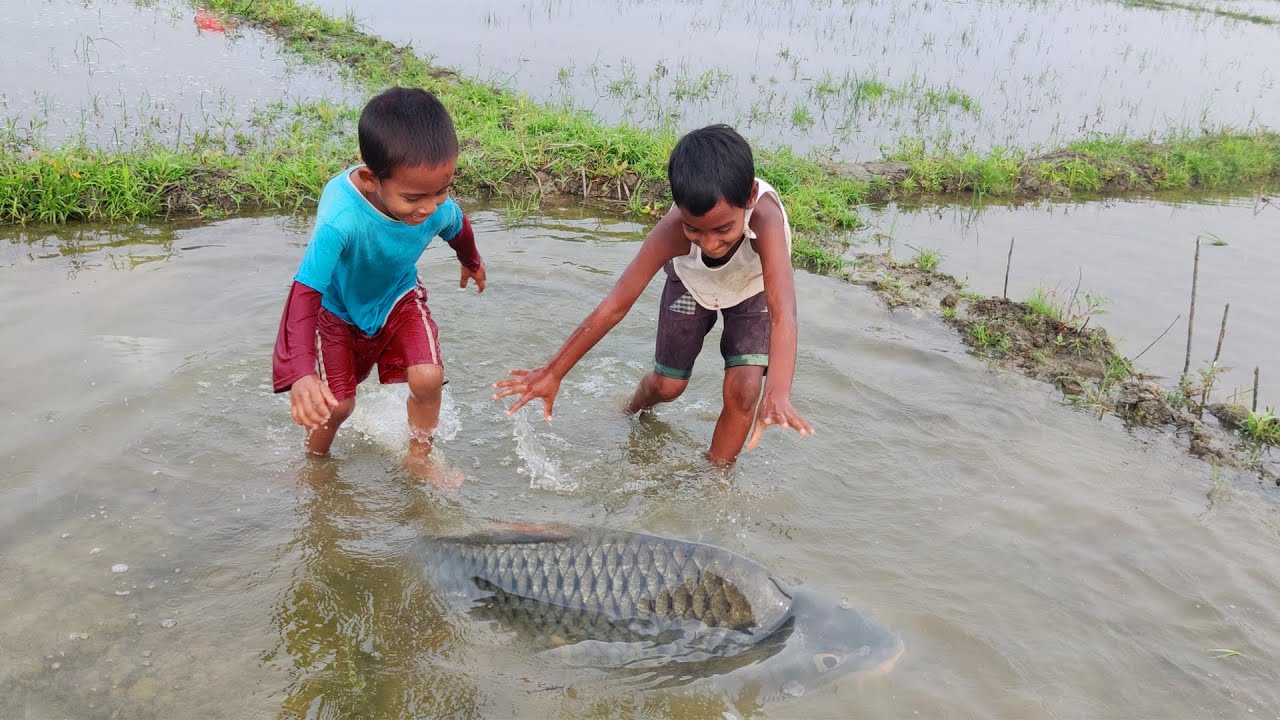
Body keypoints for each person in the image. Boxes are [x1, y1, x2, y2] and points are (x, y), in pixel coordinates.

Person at [493, 124, 813, 464]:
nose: (709, 243)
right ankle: (630, 409)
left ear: (749, 197)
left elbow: (783, 312)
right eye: (694, 230)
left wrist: (777, 392)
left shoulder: (766, 221)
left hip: (753, 293)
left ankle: (715, 478)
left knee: (745, 391)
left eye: (723, 229)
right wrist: (555, 371)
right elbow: (616, 305)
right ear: (678, 208)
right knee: (667, 387)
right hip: (692, 285)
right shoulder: (673, 232)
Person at [272, 87, 485, 488]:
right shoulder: (340, 219)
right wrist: (301, 372)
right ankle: (313, 463)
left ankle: (418, 456)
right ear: (372, 180)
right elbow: (304, 292)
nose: (429, 208)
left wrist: (471, 261)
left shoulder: (434, 207)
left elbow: (457, 226)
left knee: (427, 377)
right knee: (337, 407)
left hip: (398, 297)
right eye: (414, 198)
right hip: (337, 311)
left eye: (441, 190)